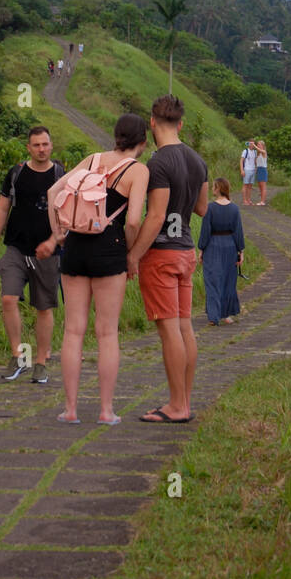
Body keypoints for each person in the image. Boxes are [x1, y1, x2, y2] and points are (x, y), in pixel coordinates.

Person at [41, 114, 149, 424]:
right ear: (142, 142)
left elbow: (52, 193)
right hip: (109, 249)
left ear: (115, 136)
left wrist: (59, 235)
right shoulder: (138, 171)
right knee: (106, 332)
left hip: (74, 247)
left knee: (73, 331)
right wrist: (130, 253)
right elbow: (132, 221)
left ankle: (71, 409)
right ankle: (106, 410)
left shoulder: (92, 159)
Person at [127, 95, 208, 422]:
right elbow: (202, 208)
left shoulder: (158, 163)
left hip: (162, 253)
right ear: (181, 123)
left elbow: (156, 216)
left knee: (169, 331)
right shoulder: (197, 159)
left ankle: (176, 406)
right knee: (185, 327)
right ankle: (183, 401)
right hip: (186, 251)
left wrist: (134, 254)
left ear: (152, 122)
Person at [0, 126, 65, 383]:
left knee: (44, 307)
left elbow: (69, 215)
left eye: (45, 144)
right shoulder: (16, 173)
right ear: (28, 148)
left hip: (46, 252)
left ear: (51, 146)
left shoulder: (60, 174)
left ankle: (41, 361)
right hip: (16, 248)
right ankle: (18, 355)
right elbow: (1, 209)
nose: (41, 149)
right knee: (9, 298)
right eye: (36, 145)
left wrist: (54, 242)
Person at [198, 178, 244, 325]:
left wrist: (201, 249)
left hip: (213, 246)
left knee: (212, 281)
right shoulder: (234, 209)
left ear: (218, 189)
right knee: (228, 281)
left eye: (213, 187)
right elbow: (238, 232)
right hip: (230, 246)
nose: (212, 189)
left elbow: (206, 231)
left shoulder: (210, 208)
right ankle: (226, 315)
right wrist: (240, 251)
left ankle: (214, 316)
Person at [240, 140, 258, 205]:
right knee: (245, 185)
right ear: (248, 144)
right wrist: (242, 170)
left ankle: (249, 200)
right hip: (247, 170)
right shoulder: (245, 151)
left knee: (250, 186)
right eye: (251, 143)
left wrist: (256, 168)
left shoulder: (255, 152)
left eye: (253, 143)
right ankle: (244, 200)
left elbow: (255, 161)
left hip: (253, 170)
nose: (252, 145)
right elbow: (241, 161)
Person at [255, 140, 269, 206]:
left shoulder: (264, 152)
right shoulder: (258, 154)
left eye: (259, 144)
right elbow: (257, 164)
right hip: (259, 170)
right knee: (260, 186)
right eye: (257, 144)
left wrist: (254, 146)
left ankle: (263, 201)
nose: (258, 145)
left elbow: (260, 150)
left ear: (263, 146)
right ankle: (261, 200)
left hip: (263, 170)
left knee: (263, 187)